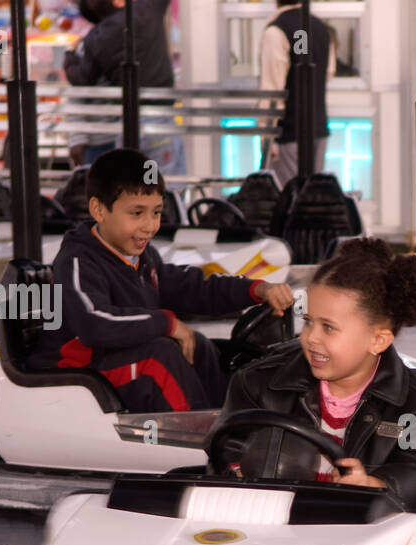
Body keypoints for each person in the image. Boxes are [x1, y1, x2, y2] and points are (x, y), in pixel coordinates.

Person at [30, 148, 295, 412]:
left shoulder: (144, 259)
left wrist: (256, 289)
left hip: (114, 360)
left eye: (156, 212)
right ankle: (202, 446)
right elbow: (94, 323)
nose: (149, 226)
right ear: (99, 210)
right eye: (136, 213)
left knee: (198, 345)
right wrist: (166, 323)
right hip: (77, 374)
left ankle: (237, 426)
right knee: (159, 358)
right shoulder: (76, 260)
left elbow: (193, 288)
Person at [222, 238, 416, 513]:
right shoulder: (259, 383)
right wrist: (236, 472)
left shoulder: (415, 410)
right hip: (263, 527)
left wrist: (375, 485)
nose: (311, 337)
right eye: (308, 321)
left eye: (329, 328)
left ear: (377, 341)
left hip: (353, 536)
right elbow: (228, 445)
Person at [64, 0, 185, 174]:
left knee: (129, 186)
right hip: (159, 121)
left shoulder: (95, 38)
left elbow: (80, 78)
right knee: (161, 184)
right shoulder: (145, 12)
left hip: (126, 125)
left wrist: (69, 55)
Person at [260, 0, 337, 186]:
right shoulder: (321, 28)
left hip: (289, 131)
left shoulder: (277, 31)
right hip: (318, 127)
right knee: (312, 196)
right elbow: (328, 71)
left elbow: (272, 89)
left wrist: (267, 134)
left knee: (289, 198)